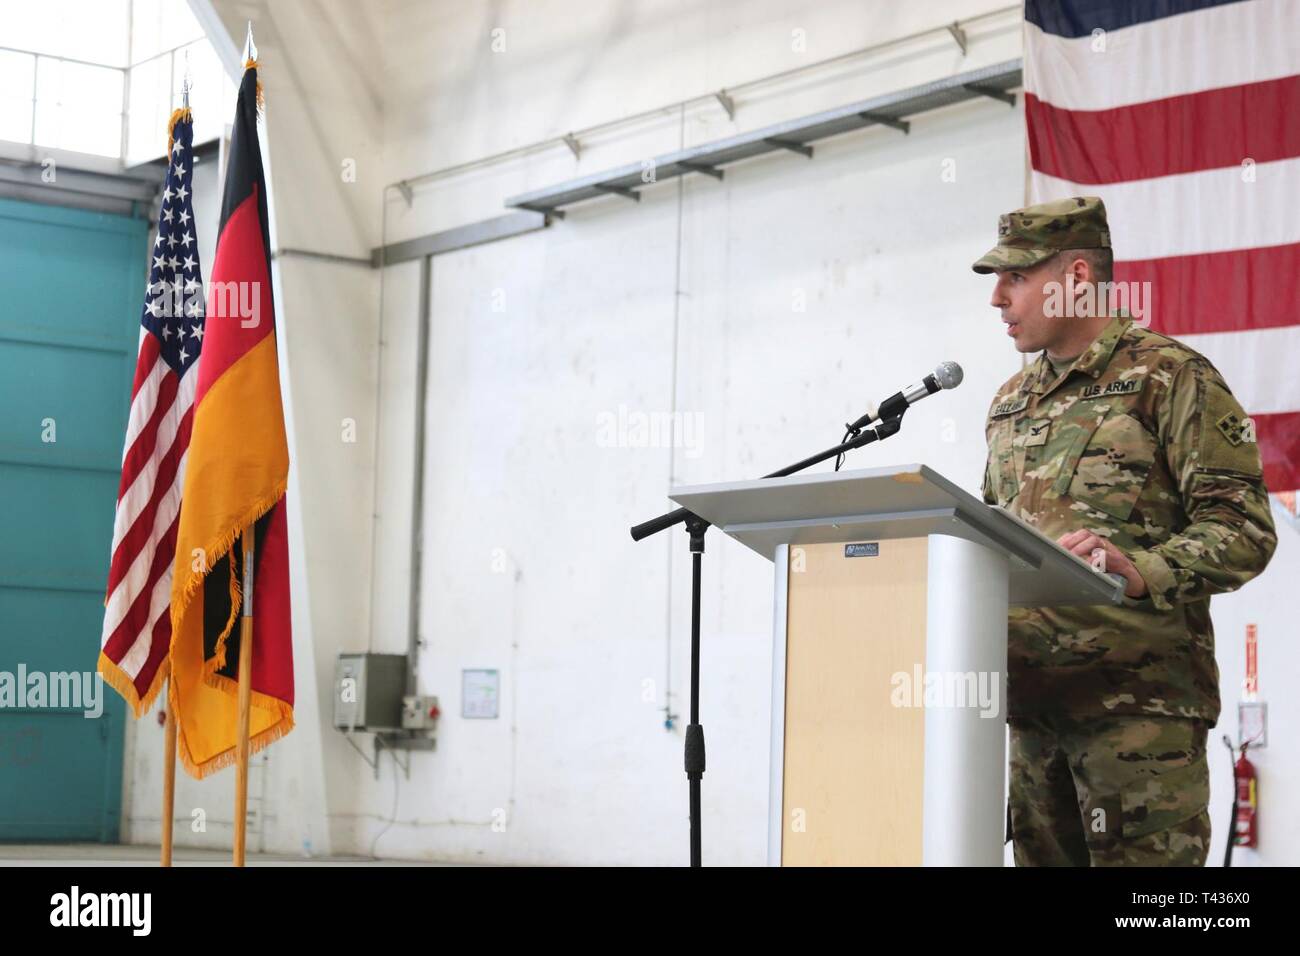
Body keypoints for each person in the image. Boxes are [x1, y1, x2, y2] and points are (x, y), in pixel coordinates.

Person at [972, 196, 1277, 866]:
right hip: (1034, 720)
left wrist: (1144, 569)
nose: (998, 298)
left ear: (1078, 277)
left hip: (1139, 723)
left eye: (1016, 276)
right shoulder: (1009, 406)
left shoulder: (1168, 379)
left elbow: (1246, 527)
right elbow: (992, 545)